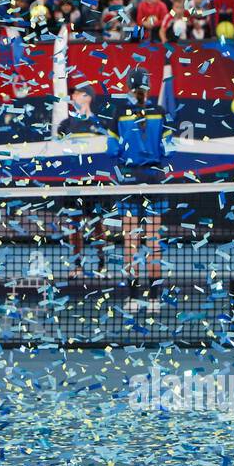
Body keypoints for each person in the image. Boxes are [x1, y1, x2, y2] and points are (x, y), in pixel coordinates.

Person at [104, 68, 173, 311]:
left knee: (130, 241)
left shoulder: (119, 113)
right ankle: (154, 297)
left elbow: (111, 150)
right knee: (154, 241)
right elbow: (169, 149)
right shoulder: (160, 112)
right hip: (154, 178)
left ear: (128, 86)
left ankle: (133, 297)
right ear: (147, 86)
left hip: (129, 180)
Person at [56, 83, 109, 279]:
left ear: (87, 97)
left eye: (78, 93)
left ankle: (102, 265)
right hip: (72, 183)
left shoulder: (99, 125)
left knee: (97, 224)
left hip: (93, 183)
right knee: (74, 225)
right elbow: (59, 154)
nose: (74, 96)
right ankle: (77, 265)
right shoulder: (65, 125)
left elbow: (105, 154)